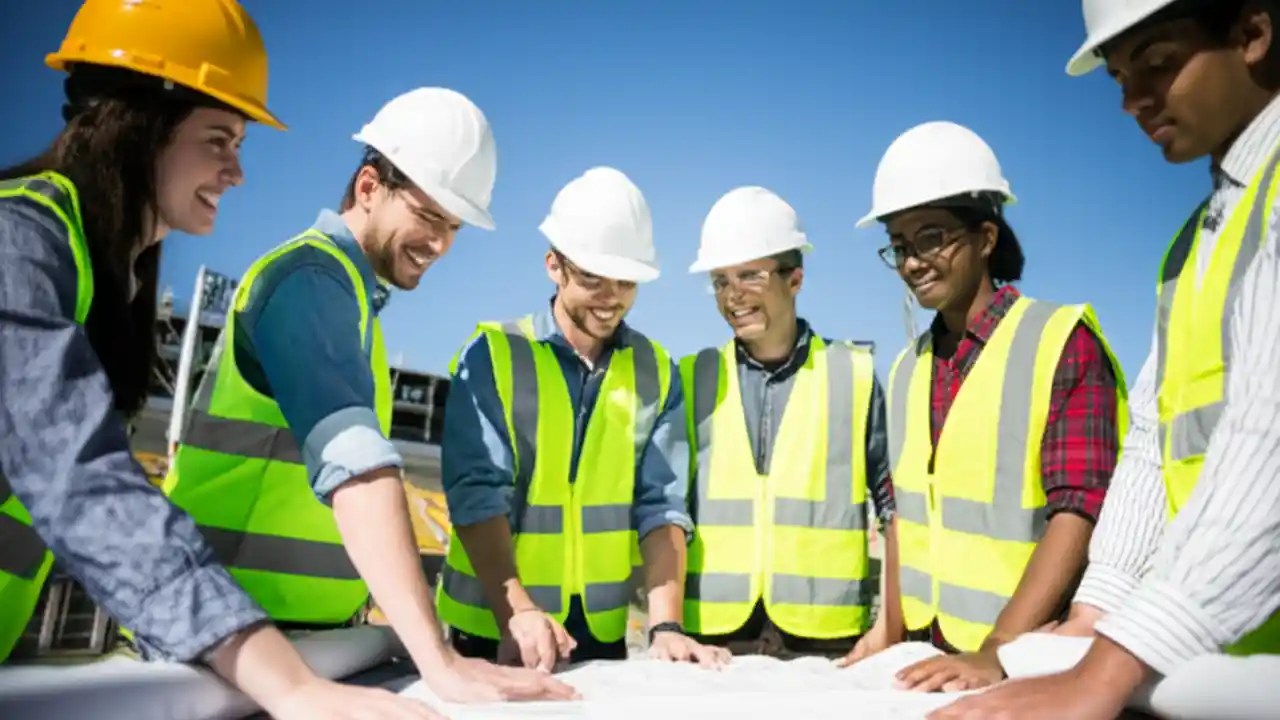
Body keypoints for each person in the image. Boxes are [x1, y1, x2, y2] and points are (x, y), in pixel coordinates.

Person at [0, 1, 449, 717]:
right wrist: (292, 685)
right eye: (218, 139)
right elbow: (79, 479)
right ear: (138, 122)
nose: (237, 171)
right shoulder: (17, 244)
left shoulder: (103, 268)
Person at [160, 85, 577, 706]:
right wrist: (439, 659)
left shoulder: (352, 302)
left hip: (277, 648)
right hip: (221, 656)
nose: (440, 244)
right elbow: (356, 469)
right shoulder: (310, 282)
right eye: (429, 216)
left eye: (454, 226)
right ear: (367, 188)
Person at [932, 1, 1280, 717]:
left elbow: (1269, 442)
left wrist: (1109, 668)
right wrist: (1095, 615)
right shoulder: (1194, 244)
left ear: (1252, 34)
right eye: (1119, 76)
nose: (1128, 101)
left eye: (1155, 64)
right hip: (1225, 665)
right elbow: (1155, 444)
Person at [852, 120, 1128, 693]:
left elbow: (1079, 510)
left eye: (930, 238)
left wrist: (1001, 648)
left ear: (985, 237)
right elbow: (906, 513)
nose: (911, 263)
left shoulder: (1060, 341)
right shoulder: (907, 370)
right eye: (900, 246)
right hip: (929, 660)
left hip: (1029, 659)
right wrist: (888, 632)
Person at [437, 166, 729, 670]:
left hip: (599, 634)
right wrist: (516, 612)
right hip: (493, 627)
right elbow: (476, 492)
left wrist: (665, 626)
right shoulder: (494, 355)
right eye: (593, 277)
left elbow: (661, 506)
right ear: (554, 265)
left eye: (626, 281)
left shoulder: (655, 371)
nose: (611, 297)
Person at [677, 186, 902, 663]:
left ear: (795, 278)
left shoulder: (853, 375)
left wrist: (890, 627)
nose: (732, 295)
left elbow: (896, 508)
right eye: (720, 280)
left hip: (828, 636)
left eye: (750, 276)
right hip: (714, 636)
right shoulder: (691, 378)